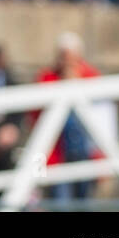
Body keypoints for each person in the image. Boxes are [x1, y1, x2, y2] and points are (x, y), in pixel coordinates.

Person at [36, 32, 102, 201]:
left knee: (84, 201)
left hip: (85, 153)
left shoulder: (91, 77)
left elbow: (103, 119)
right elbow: (35, 119)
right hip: (57, 154)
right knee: (59, 200)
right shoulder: (47, 78)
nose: (68, 60)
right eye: (64, 55)